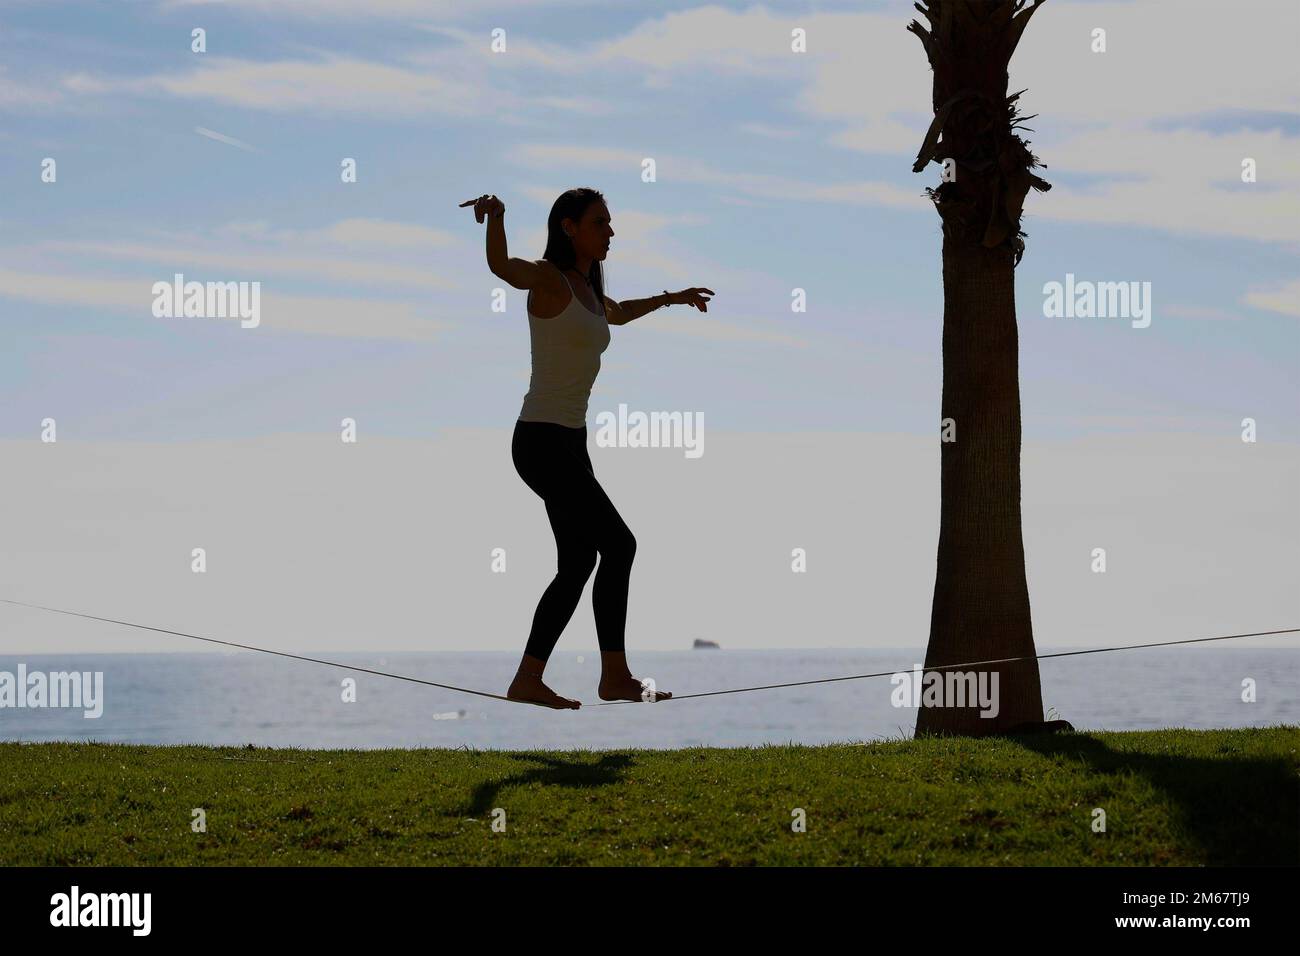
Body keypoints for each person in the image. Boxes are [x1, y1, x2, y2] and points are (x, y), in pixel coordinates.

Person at [460, 187, 714, 708]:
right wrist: (497, 218)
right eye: (601, 222)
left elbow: (617, 313)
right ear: (569, 227)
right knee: (619, 545)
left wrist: (671, 298)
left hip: (571, 443)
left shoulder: (589, 291)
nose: (611, 232)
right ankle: (614, 676)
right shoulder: (549, 279)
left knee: (578, 562)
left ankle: (528, 678)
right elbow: (502, 267)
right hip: (540, 440)